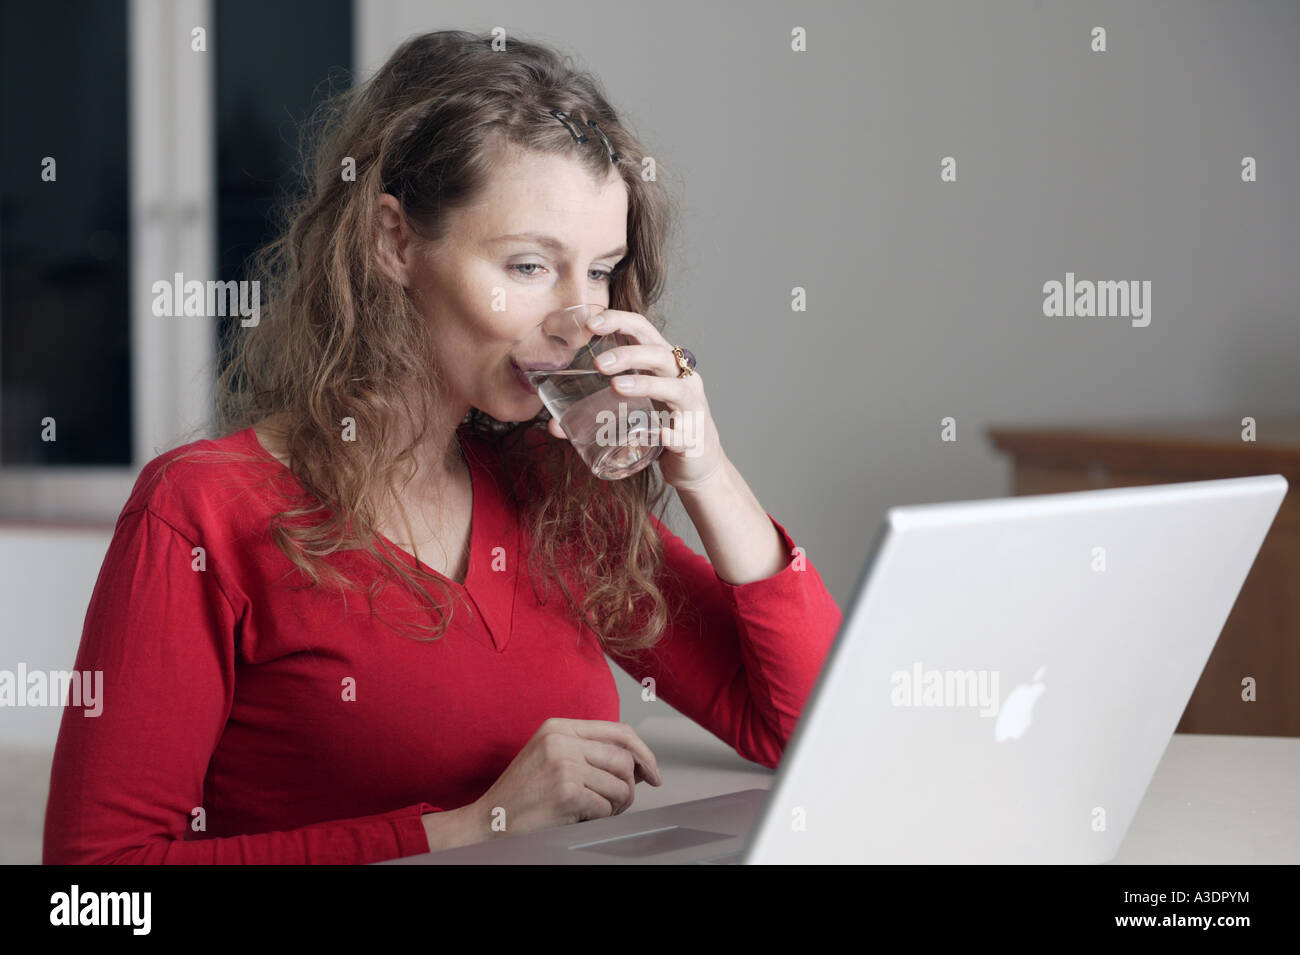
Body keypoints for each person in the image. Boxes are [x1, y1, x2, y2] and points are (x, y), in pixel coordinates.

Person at [43, 29, 842, 864]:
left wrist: (709, 469)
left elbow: (813, 729)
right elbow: (96, 885)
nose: (580, 320)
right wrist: (467, 828)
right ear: (395, 242)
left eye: (601, 270)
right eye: (530, 266)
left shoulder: (549, 490)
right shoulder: (200, 509)